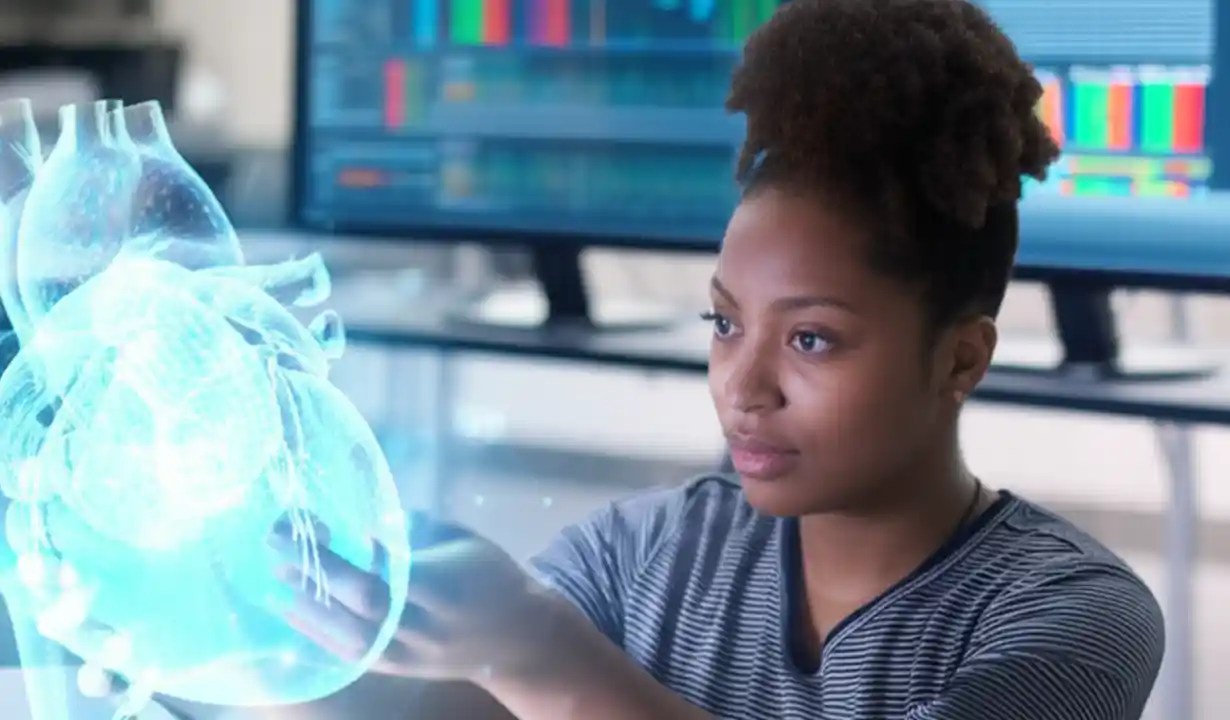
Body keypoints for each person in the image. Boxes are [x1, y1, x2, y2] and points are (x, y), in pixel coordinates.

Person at [104, 1, 1168, 718]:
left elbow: (532, 660)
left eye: (810, 339)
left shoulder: (1070, 619)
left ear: (959, 359)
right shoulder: (642, 558)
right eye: (721, 324)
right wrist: (253, 614)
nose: (742, 390)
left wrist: (537, 654)